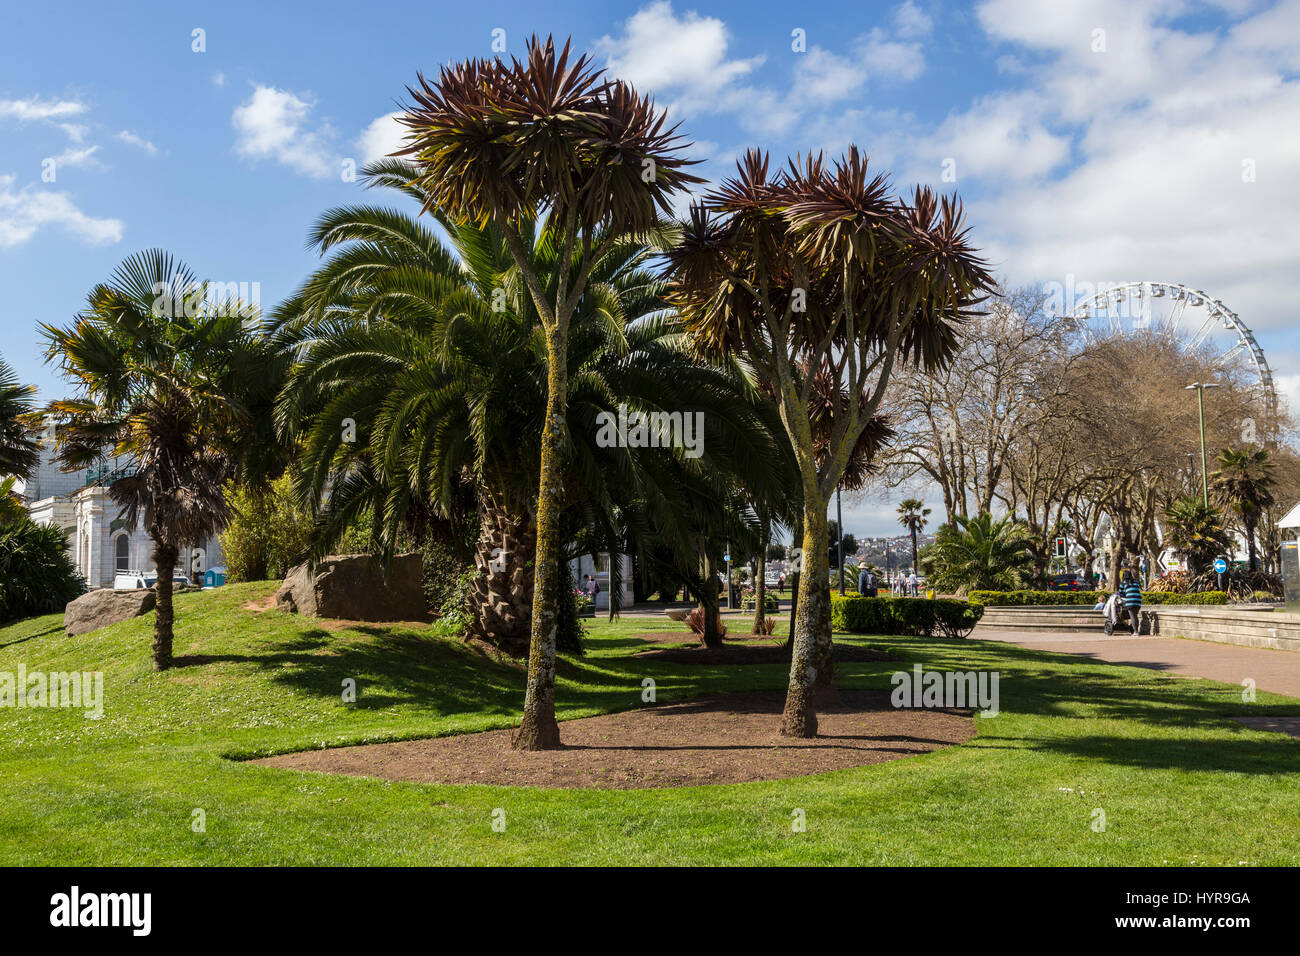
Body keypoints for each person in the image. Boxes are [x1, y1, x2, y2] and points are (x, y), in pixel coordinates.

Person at [1119, 569, 1142, 634]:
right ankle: (1134, 629)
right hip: (1138, 600)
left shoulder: (1123, 583)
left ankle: (1136, 632)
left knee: (1133, 617)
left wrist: (1124, 596)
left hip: (1130, 601)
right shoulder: (1136, 582)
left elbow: (1121, 594)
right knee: (1135, 616)